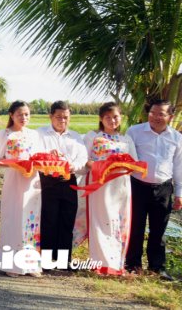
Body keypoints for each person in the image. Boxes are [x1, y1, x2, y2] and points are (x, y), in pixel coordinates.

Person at [126, 99, 182, 280]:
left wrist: (179, 194)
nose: (156, 117)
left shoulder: (176, 138)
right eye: (152, 113)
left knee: (159, 230)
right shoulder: (134, 132)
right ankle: (132, 265)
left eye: (161, 114)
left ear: (170, 117)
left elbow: (178, 168)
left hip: (164, 188)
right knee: (136, 228)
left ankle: (157, 268)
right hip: (137, 187)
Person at [84, 102, 137, 276]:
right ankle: (100, 264)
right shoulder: (93, 136)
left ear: (121, 118)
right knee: (101, 221)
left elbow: (134, 163)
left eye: (115, 117)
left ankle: (117, 264)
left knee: (119, 222)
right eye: (107, 117)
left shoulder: (126, 139)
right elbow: (86, 160)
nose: (112, 120)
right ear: (101, 119)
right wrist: (100, 166)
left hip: (121, 185)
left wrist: (124, 165)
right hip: (100, 185)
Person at [36, 100, 87, 268]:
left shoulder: (76, 137)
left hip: (69, 181)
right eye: (58, 117)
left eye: (66, 117)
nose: (62, 121)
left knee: (67, 219)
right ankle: (46, 259)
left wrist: (75, 165)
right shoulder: (40, 134)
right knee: (49, 219)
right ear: (51, 116)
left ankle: (64, 260)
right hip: (48, 181)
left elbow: (83, 158)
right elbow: (36, 155)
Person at [0, 100, 43, 277]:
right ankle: (11, 264)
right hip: (13, 178)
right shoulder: (4, 134)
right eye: (20, 114)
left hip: (31, 180)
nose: (24, 117)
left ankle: (31, 264)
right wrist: (13, 163)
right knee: (12, 218)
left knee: (31, 219)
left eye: (27, 114)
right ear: (11, 115)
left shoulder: (34, 134)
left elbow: (39, 156)